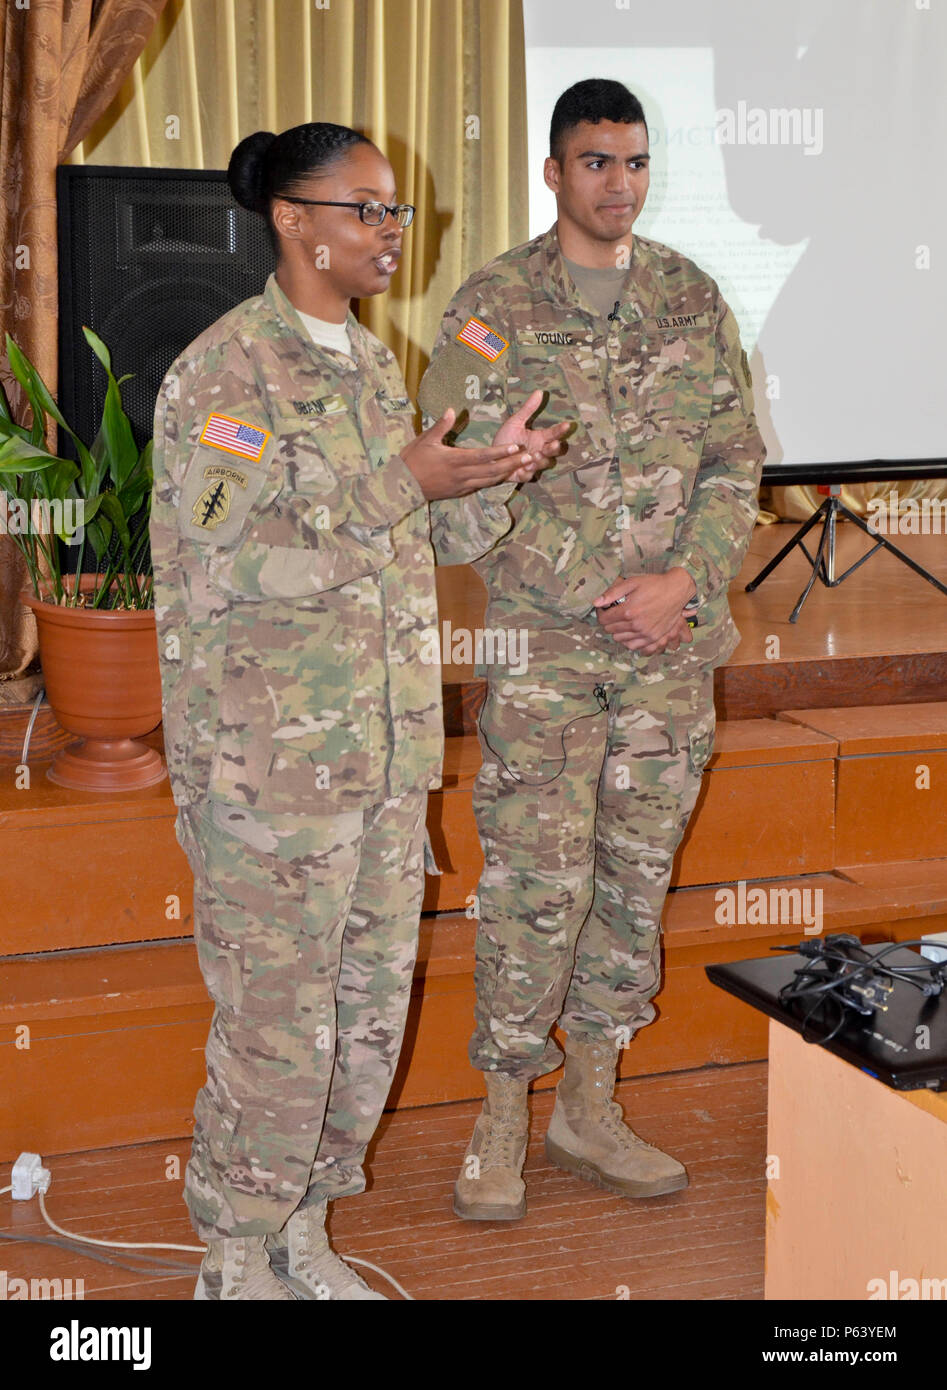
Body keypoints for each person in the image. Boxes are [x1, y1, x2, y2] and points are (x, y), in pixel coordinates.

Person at [149, 121, 568, 1298]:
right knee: (276, 1027)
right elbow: (230, 563)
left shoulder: (370, 364)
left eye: (396, 211)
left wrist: (488, 481)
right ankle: (233, 1251)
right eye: (366, 209)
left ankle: (305, 1233)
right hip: (269, 779)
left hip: (382, 764)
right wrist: (404, 481)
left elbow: (405, 535)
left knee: (363, 1017)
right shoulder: (228, 372)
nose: (392, 231)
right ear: (292, 220)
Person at [418, 79, 766, 1221]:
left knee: (632, 877)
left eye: (632, 162)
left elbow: (734, 460)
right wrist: (493, 472)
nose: (616, 184)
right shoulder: (491, 307)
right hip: (548, 653)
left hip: (666, 649)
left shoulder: (686, 296)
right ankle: (502, 1116)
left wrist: (686, 580)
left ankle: (593, 1104)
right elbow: (442, 502)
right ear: (552, 172)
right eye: (593, 162)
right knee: (532, 882)